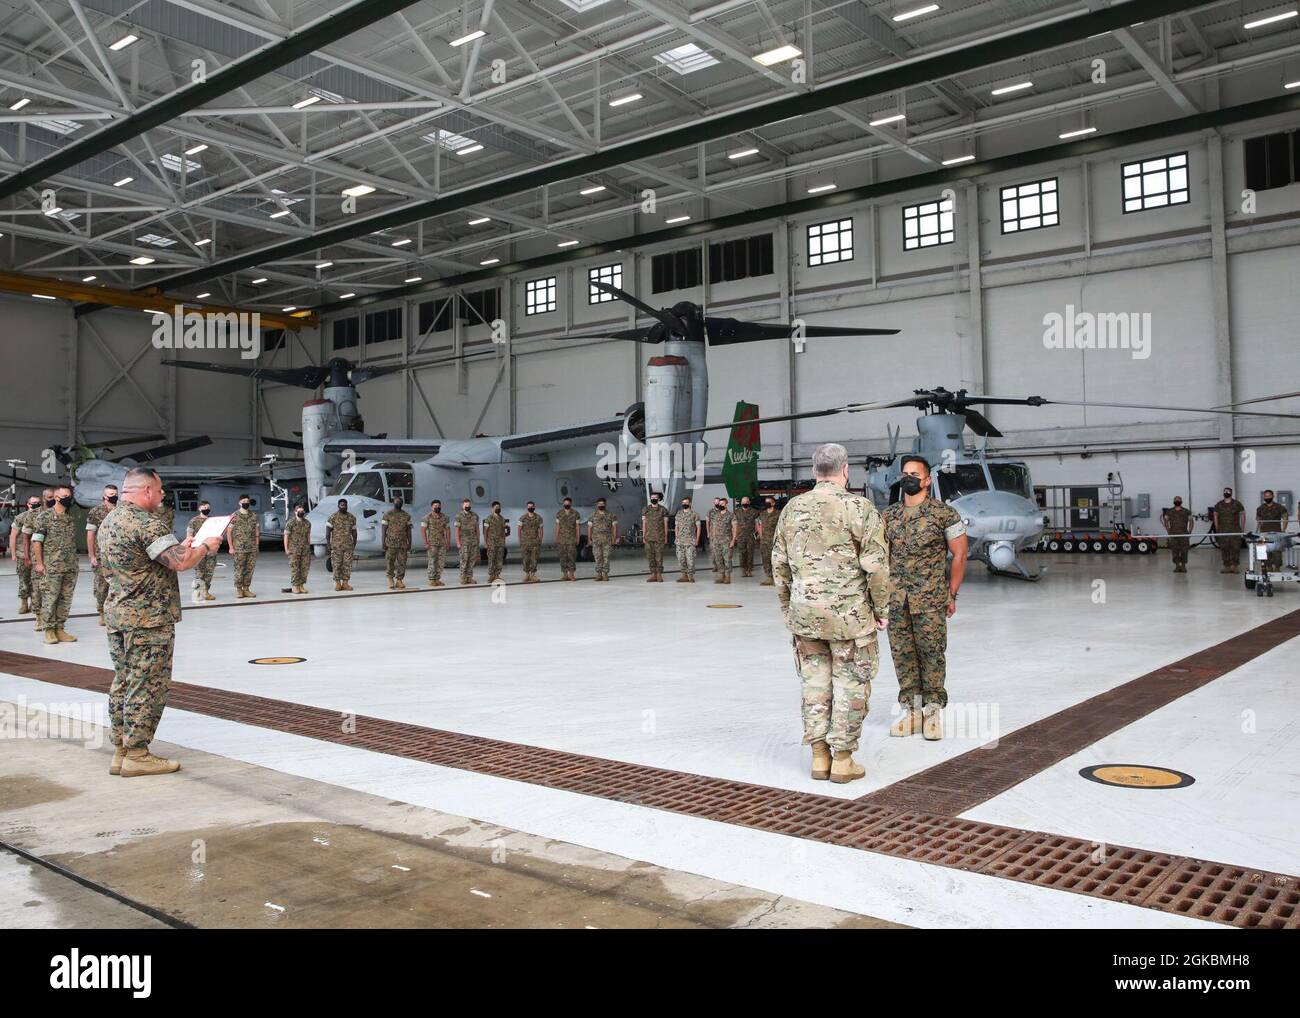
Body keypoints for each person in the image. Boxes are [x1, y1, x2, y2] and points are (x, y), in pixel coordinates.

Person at [771, 443, 890, 784]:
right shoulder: (860, 508)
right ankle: (842, 760)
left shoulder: (792, 509)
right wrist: (881, 610)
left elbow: (779, 565)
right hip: (850, 618)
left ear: (814, 471)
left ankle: (819, 757)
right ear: (845, 469)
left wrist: (787, 607)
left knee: (814, 685)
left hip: (805, 616)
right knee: (851, 684)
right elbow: (877, 567)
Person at [98, 466, 223, 777]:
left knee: (123, 682)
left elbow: (155, 557)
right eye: (160, 489)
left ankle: (121, 749)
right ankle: (138, 754)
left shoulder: (109, 521)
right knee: (147, 685)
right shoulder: (146, 523)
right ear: (147, 492)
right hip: (148, 619)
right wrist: (207, 547)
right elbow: (179, 562)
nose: (163, 494)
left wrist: (183, 545)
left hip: (119, 616)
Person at [882, 455, 968, 742]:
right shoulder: (889, 515)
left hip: (930, 599)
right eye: (905, 473)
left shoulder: (944, 514)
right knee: (903, 657)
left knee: (932, 654)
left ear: (927, 480)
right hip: (897, 600)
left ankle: (932, 714)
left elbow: (959, 554)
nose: (909, 478)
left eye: (915, 474)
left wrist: (951, 593)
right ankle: (911, 712)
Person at [31, 486, 80, 644]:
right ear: (57, 498)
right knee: (50, 599)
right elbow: (37, 541)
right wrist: (39, 563)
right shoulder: (44, 517)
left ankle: (60, 628)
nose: (68, 498)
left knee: (65, 599)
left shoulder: (69, 518)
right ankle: (49, 630)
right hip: (51, 566)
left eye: (69, 495)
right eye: (65, 495)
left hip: (70, 566)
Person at [85, 485, 119, 625]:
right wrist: (92, 555)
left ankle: (115, 611)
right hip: (101, 556)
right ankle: (102, 612)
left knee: (117, 585)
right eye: (111, 494)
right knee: (102, 586)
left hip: (118, 556)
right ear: (104, 496)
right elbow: (90, 535)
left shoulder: (120, 510)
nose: (114, 496)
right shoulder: (96, 512)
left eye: (116, 494)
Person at [22, 489, 56, 629]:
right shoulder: (33, 515)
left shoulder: (59, 513)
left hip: (54, 559)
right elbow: (26, 538)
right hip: (38, 558)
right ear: (43, 498)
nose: (52, 499)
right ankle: (38, 617)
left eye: (53, 497)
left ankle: (51, 617)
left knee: (52, 589)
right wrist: (27, 557)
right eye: (49, 497)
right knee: (37, 588)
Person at [10, 495, 41, 616]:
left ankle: (35, 603)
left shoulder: (43, 517)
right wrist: (13, 554)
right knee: (24, 580)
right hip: (22, 555)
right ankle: (24, 603)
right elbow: (13, 536)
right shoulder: (20, 518)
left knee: (36, 581)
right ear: (27, 504)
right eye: (33, 503)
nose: (35, 505)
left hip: (37, 556)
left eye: (38, 503)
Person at [226, 494, 260, 597]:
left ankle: (246, 588)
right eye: (244, 501)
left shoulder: (254, 515)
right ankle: (239, 590)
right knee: (239, 569)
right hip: (239, 548)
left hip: (252, 547)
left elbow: (257, 530)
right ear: (239, 503)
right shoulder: (234, 515)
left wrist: (257, 544)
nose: (246, 503)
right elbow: (229, 532)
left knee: (250, 569)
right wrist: (231, 547)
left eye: (247, 501)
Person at [185, 501, 218, 601]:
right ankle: (199, 592)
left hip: (211, 552)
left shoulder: (213, 521)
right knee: (199, 573)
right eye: (204, 507)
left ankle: (206, 592)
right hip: (198, 552)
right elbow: (189, 536)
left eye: (208, 507)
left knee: (209, 572)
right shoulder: (193, 521)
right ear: (199, 509)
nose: (206, 509)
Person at [1212, 486, 1246, 574]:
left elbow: (1242, 515)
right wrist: (1217, 528)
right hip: (1222, 531)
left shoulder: (1237, 504)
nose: (1226, 492)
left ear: (1231, 493)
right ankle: (1226, 566)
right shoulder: (1219, 504)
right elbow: (1215, 516)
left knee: (1235, 548)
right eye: (1225, 491)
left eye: (1228, 491)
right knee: (1224, 548)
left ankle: (1234, 566)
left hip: (1235, 530)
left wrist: (1242, 528)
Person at [381, 496, 413, 589]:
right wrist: (383, 542)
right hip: (390, 543)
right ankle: (390, 579)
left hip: (403, 543)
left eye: (399, 501)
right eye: (396, 501)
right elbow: (383, 529)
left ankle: (399, 580)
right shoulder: (387, 514)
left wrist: (410, 542)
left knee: (402, 562)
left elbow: (409, 531)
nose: (398, 503)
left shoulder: (406, 516)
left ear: (402, 503)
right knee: (390, 562)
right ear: (393, 503)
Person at [327, 498, 357, 591]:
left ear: (347, 506)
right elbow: (328, 532)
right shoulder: (333, 517)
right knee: (336, 565)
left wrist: (354, 543)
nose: (343, 506)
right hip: (336, 546)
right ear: (338, 506)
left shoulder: (351, 517)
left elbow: (354, 531)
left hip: (348, 546)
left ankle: (345, 583)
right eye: (341, 505)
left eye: (345, 505)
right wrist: (328, 544)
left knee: (347, 565)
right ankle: (337, 584)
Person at [1256, 490, 1289, 573]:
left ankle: (1277, 567)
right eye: (1265, 496)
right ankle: (1268, 567)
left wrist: (1283, 530)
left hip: (1276, 533)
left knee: (1277, 552)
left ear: (1273, 496)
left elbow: (1285, 517)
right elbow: (1258, 521)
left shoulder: (1279, 507)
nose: (1267, 497)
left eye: (1269, 496)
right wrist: (1258, 533)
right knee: (1265, 551)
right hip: (1264, 533)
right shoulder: (1260, 508)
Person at [284, 503, 313, 594]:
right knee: (295, 568)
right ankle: (295, 586)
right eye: (299, 511)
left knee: (304, 568)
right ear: (295, 512)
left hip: (305, 549)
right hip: (294, 550)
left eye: (302, 511)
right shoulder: (290, 523)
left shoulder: (307, 523)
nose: (301, 513)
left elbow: (308, 536)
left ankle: (301, 585)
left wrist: (309, 546)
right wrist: (286, 549)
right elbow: (286, 536)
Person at [587, 497, 618, 581]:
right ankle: (599, 574)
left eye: (603, 504)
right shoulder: (592, 515)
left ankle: (605, 574)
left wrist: (614, 538)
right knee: (597, 557)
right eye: (599, 504)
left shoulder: (611, 515)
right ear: (597, 505)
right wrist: (589, 539)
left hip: (607, 539)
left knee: (606, 557)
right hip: (596, 540)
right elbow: (590, 528)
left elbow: (614, 527)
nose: (601, 505)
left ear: (605, 504)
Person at [707, 496, 735, 584]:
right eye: (720, 504)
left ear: (726, 504)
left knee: (727, 559)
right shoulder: (715, 515)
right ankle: (721, 576)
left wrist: (733, 540)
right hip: (716, 541)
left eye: (722, 504)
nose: (721, 505)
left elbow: (735, 528)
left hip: (726, 541)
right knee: (718, 559)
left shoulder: (731, 515)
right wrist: (712, 538)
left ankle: (727, 577)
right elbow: (713, 527)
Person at [421, 499, 450, 587]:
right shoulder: (427, 517)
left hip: (442, 543)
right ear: (432, 507)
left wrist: (448, 542)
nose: (437, 507)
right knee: (432, 561)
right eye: (435, 506)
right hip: (432, 543)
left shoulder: (445, 517)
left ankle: (437, 579)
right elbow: (423, 530)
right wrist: (425, 543)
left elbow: (448, 530)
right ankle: (432, 579)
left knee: (441, 562)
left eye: (438, 506)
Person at [642, 492, 669, 582]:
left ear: (659, 499)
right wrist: (643, 535)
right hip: (648, 537)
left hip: (659, 537)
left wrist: (665, 536)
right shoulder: (646, 509)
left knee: (659, 556)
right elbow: (644, 523)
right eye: (652, 497)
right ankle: (653, 574)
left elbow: (665, 524)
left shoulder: (663, 510)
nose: (653, 499)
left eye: (655, 497)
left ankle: (659, 574)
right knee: (650, 556)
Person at [1162, 497, 1193, 573]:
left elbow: (1191, 522)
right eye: (1176, 500)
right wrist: (1169, 532)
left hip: (1184, 535)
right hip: (1173, 535)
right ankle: (1177, 566)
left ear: (1181, 501)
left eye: (1178, 500)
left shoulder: (1186, 511)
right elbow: (1166, 522)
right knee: (1175, 551)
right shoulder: (1169, 511)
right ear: (1173, 501)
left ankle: (1183, 566)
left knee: (1184, 551)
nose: (1177, 501)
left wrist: (1189, 532)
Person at [674, 496, 701, 583]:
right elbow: (676, 526)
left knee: (690, 559)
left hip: (690, 541)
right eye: (683, 503)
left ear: (690, 504)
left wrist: (697, 539)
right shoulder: (679, 514)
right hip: (680, 541)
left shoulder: (695, 514)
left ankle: (690, 576)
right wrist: (676, 537)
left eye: (686, 503)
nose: (684, 504)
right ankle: (684, 575)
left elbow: (698, 527)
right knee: (681, 559)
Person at [555, 497, 581, 581]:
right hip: (562, 539)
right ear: (563, 504)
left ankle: (572, 574)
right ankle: (565, 574)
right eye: (565, 503)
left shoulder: (575, 513)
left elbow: (577, 527)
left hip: (571, 539)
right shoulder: (559, 513)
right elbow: (558, 526)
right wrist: (557, 537)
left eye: (568, 503)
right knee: (563, 556)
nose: (566, 505)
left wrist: (578, 537)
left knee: (571, 556)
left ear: (570, 504)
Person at [517, 500, 543, 582]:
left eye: (531, 506)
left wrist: (540, 539)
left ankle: (533, 575)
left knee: (534, 559)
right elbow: (519, 530)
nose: (530, 508)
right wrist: (520, 540)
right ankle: (527, 575)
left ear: (534, 507)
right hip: (525, 542)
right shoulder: (522, 518)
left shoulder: (539, 518)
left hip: (535, 542)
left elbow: (541, 529)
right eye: (529, 507)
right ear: (527, 507)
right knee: (525, 559)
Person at [456, 499, 480, 584]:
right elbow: (457, 530)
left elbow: (477, 529)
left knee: (471, 560)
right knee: (464, 560)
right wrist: (458, 542)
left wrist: (478, 540)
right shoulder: (459, 516)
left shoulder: (475, 516)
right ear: (462, 506)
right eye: (466, 505)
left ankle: (469, 577)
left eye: (469, 505)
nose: (467, 506)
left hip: (473, 541)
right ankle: (463, 577)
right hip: (464, 542)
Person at [484, 501, 509, 582]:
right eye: (496, 508)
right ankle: (491, 576)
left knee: (499, 559)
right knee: (491, 559)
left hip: (500, 543)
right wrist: (485, 543)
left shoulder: (502, 519)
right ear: (492, 508)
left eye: (499, 508)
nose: (498, 509)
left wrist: (504, 542)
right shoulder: (489, 518)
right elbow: (485, 532)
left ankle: (497, 575)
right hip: (492, 543)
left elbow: (503, 531)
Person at [734, 496, 759, 577]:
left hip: (751, 535)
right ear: (741, 503)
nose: (745, 503)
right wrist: (735, 535)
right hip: (741, 536)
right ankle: (743, 569)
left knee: (750, 553)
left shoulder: (754, 512)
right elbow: (735, 524)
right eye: (743, 502)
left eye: (746, 502)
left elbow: (757, 524)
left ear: (749, 502)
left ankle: (749, 569)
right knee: (742, 553)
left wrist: (757, 534)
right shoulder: (737, 512)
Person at [757, 495, 779, 586]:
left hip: (775, 541)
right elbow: (759, 524)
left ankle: (777, 578)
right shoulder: (762, 514)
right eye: (766, 502)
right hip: (764, 541)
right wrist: (760, 535)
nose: (767, 504)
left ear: (773, 503)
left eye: (768, 502)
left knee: (776, 560)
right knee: (765, 559)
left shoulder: (778, 513)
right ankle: (769, 577)